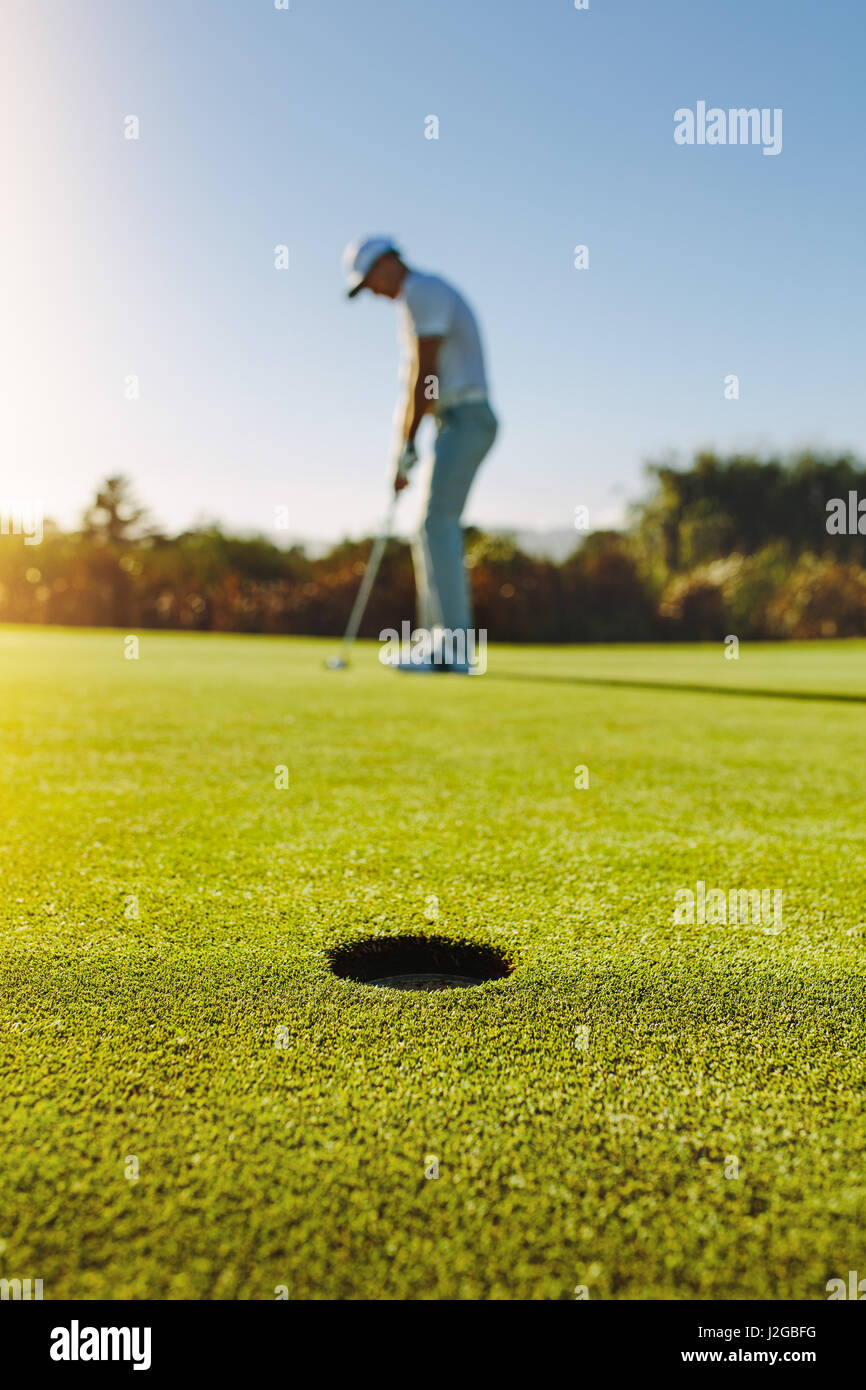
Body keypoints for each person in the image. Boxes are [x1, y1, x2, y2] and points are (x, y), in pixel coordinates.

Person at [342, 236, 498, 672]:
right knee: (426, 527)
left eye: (370, 280)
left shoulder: (423, 293)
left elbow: (425, 376)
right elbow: (419, 379)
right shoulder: (415, 299)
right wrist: (405, 448)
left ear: (388, 263)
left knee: (436, 523)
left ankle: (452, 650)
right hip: (452, 422)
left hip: (466, 417)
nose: (371, 291)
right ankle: (438, 644)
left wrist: (409, 443)